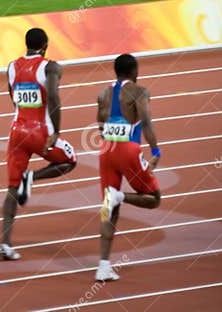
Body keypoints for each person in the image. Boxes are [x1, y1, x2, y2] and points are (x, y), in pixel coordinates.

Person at [0, 28, 77, 260]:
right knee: (70, 160)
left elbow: (13, 96)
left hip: (17, 132)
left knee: (12, 188)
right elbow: (53, 97)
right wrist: (56, 131)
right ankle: (32, 177)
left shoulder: (12, 67)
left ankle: (5, 244)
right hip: (41, 133)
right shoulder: (51, 67)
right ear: (45, 46)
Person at [96, 53, 161, 281]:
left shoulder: (103, 94)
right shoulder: (139, 92)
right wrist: (155, 151)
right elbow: (147, 122)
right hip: (128, 151)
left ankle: (103, 266)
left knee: (108, 208)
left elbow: (101, 126)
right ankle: (120, 196)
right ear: (135, 71)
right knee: (154, 198)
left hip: (106, 151)